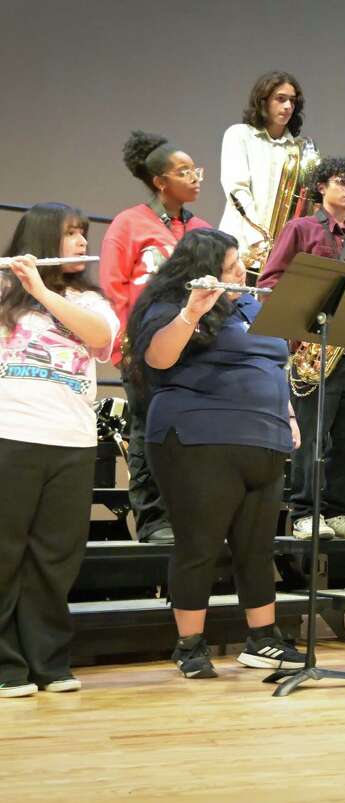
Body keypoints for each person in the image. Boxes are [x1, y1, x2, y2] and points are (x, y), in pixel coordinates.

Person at [125, 228, 306, 679]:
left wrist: (287, 413)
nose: (241, 272)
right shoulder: (170, 303)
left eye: (239, 263)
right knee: (199, 545)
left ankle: (262, 639)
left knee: (258, 546)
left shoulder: (252, 305)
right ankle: (189, 645)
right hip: (198, 438)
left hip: (263, 437)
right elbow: (158, 360)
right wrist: (192, 312)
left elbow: (272, 362)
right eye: (230, 266)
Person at [0, 204, 115, 697]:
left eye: (83, 233)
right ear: (44, 237)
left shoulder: (89, 299)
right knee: (5, 552)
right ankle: (5, 666)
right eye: (71, 234)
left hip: (71, 438)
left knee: (55, 557)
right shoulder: (3, 291)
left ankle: (47, 661)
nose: (82, 242)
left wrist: (42, 291)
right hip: (11, 430)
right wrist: (21, 285)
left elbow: (101, 338)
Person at [100, 131, 211, 545]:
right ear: (160, 182)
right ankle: (152, 521)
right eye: (184, 171)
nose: (195, 177)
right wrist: (123, 348)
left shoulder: (201, 229)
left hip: (194, 351)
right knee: (148, 429)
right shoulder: (129, 223)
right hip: (143, 350)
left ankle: (189, 518)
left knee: (192, 434)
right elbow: (113, 288)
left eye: (196, 170)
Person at [258, 156, 345, 540]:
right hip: (313, 348)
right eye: (343, 181)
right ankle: (305, 513)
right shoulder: (300, 229)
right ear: (321, 186)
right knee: (311, 437)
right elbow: (270, 282)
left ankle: (339, 511)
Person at [217, 70, 307, 258]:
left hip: (281, 251)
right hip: (241, 245)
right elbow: (237, 189)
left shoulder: (299, 148)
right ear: (263, 101)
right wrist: (258, 239)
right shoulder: (239, 135)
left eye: (292, 101)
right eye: (280, 99)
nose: (288, 106)